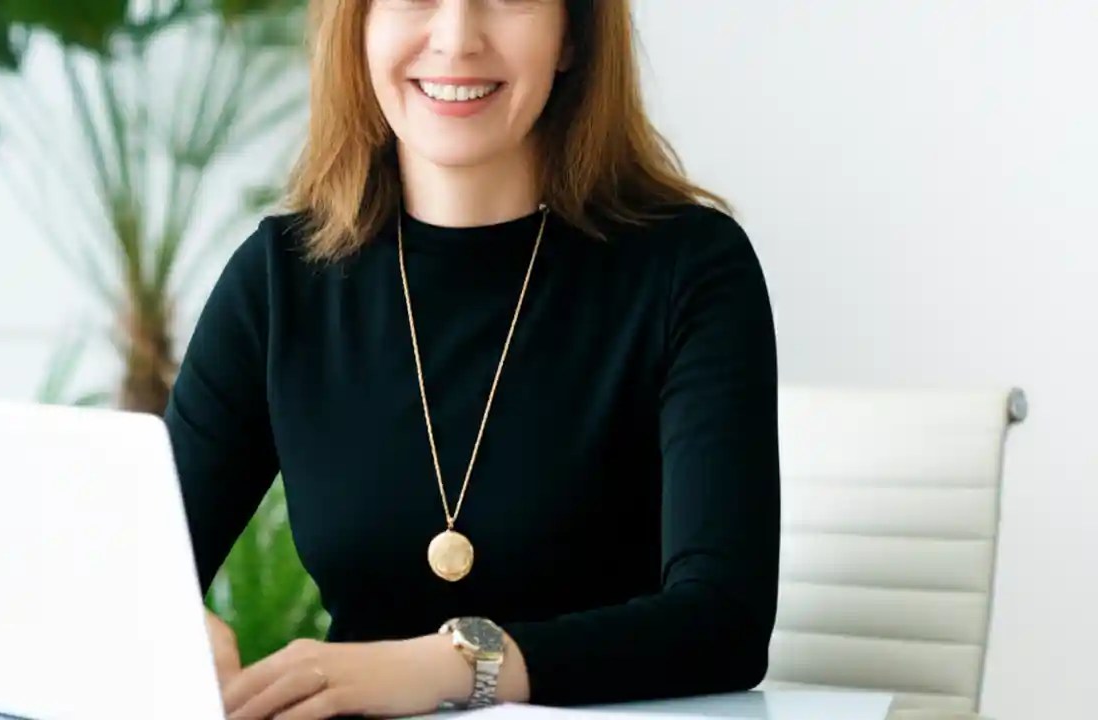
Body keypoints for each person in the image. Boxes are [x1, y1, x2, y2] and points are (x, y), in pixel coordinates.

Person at [165, 1, 780, 718]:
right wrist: (166, 629)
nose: (457, 38)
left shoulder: (691, 270)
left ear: (572, 37)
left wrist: (454, 664)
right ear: (358, 27)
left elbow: (722, 623)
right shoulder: (280, 279)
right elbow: (123, 574)